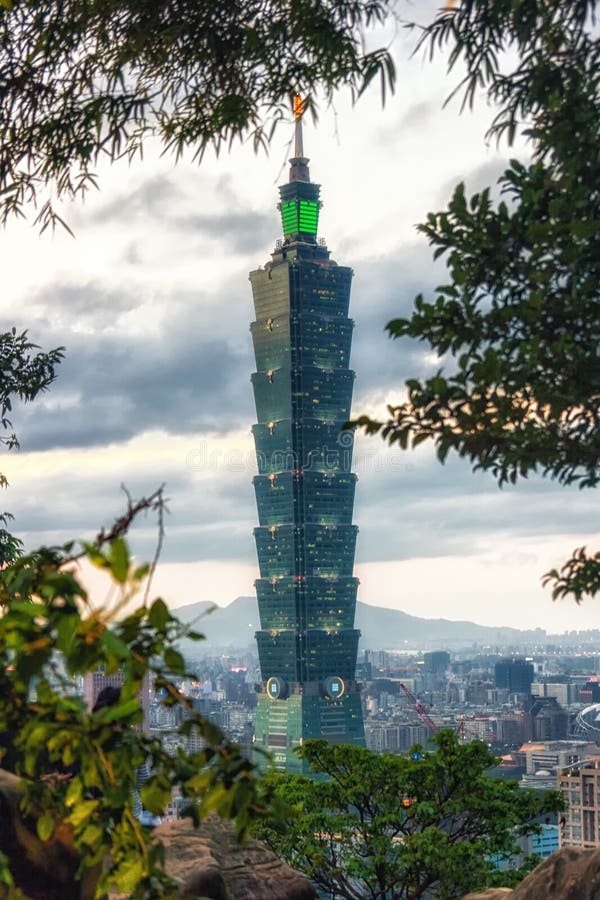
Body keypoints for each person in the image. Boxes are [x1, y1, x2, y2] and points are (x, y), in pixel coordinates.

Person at [92, 686, 161, 827]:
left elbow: (143, 783)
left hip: (130, 819)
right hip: (101, 819)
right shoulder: (92, 744)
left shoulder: (130, 742)